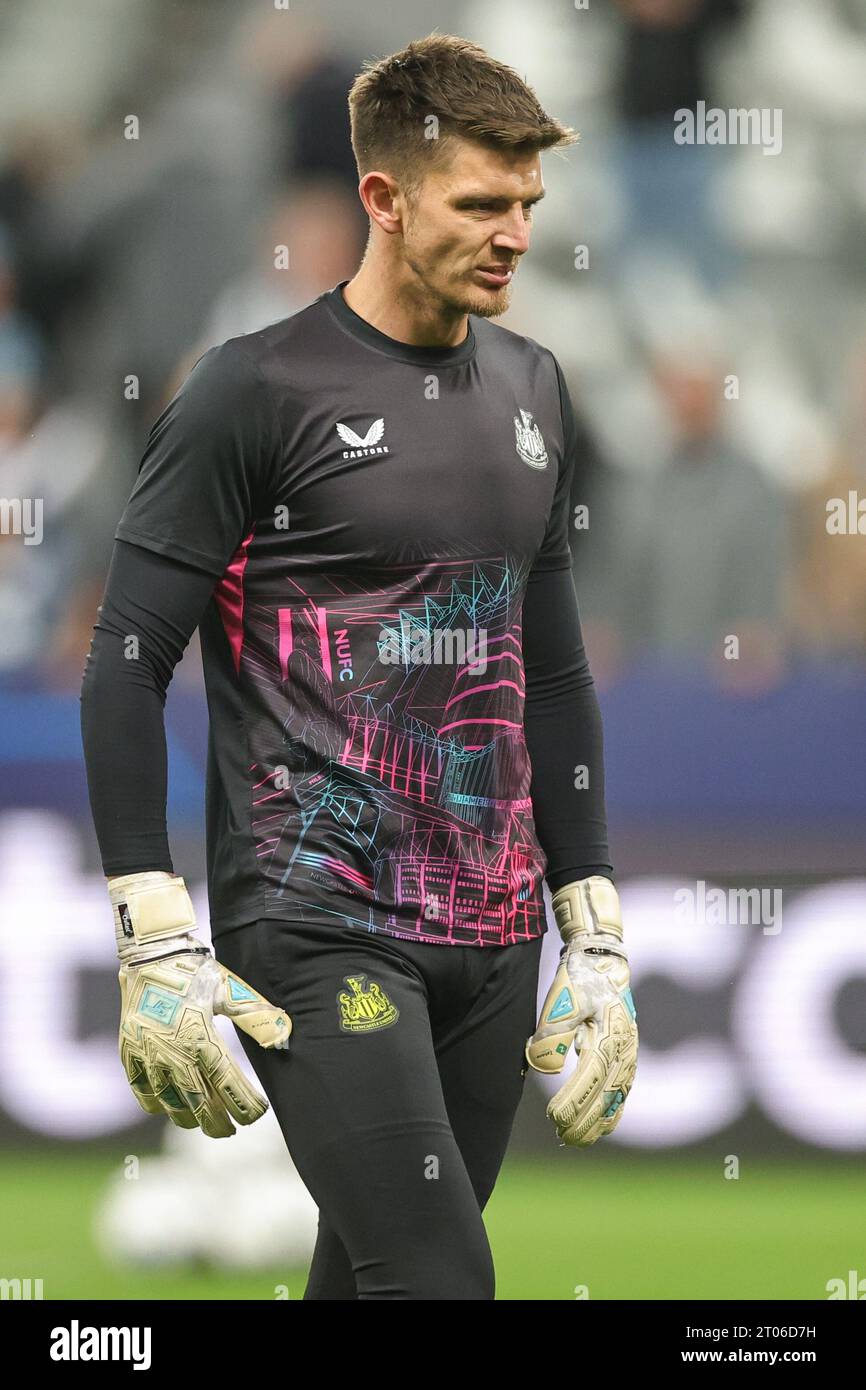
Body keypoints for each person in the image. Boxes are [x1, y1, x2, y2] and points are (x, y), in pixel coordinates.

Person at [80, 33, 638, 1301]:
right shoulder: (253, 390)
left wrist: (591, 921)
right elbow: (125, 659)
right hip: (317, 922)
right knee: (442, 1279)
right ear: (382, 200)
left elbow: (547, 676)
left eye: (526, 207)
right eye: (480, 204)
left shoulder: (535, 390)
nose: (512, 234)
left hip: (493, 935)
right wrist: (152, 929)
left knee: (374, 1280)